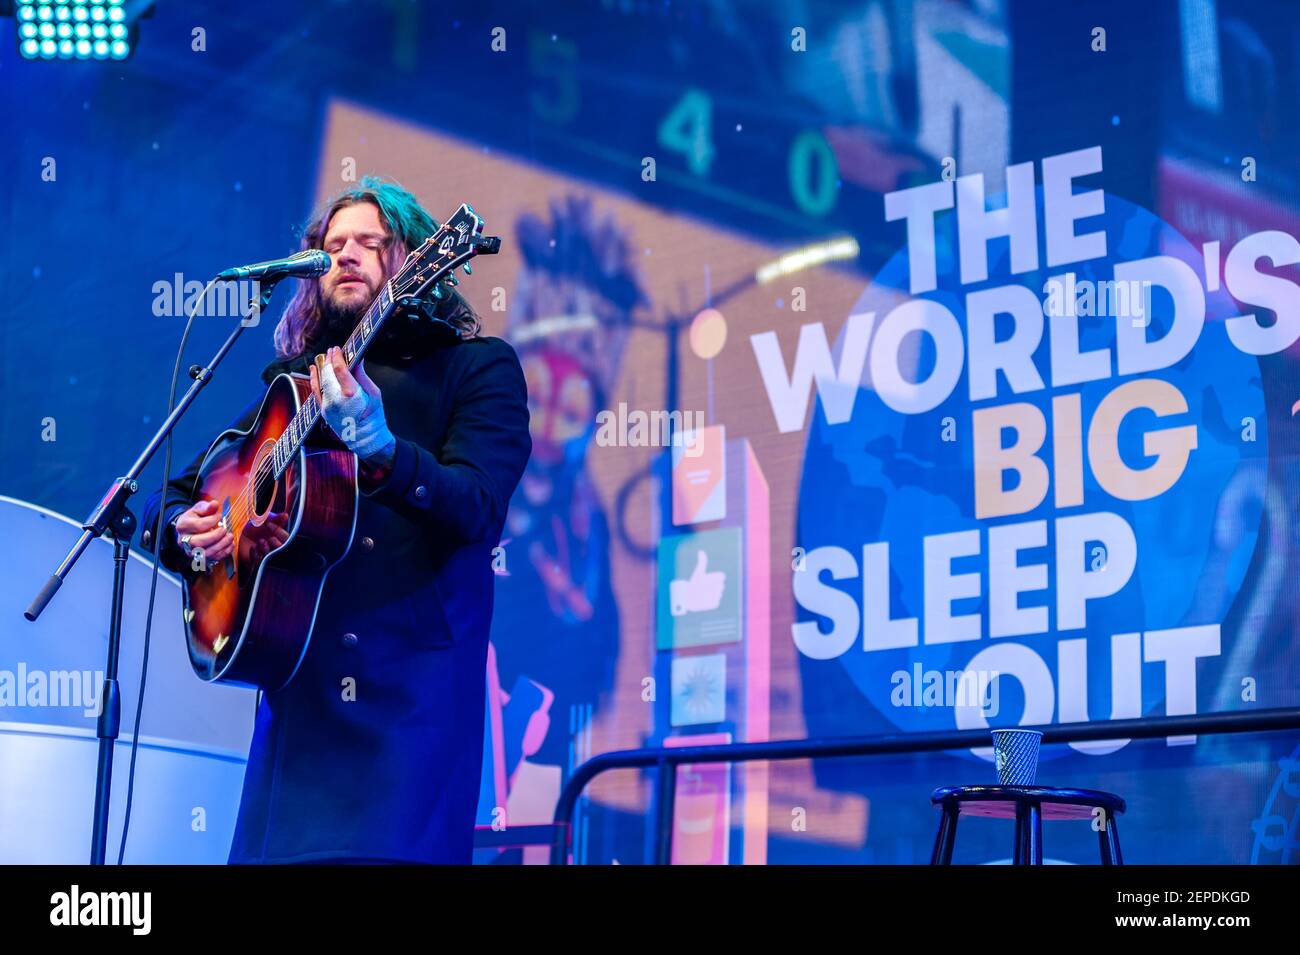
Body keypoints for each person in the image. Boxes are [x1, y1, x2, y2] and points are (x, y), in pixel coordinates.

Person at [140, 176, 531, 864]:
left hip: (407, 713)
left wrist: (383, 447)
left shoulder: (476, 368)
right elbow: (174, 494)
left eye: (368, 243)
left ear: (416, 260)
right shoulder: (291, 386)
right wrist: (188, 531)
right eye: (331, 244)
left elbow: (478, 508)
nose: (343, 255)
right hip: (299, 707)